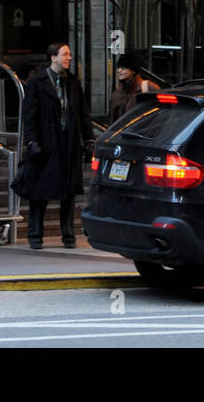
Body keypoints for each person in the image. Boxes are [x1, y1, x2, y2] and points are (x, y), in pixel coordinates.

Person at [14, 42, 94, 249]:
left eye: (69, 54)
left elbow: (83, 114)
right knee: (40, 192)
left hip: (68, 144)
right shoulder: (37, 82)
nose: (69, 58)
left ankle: (68, 235)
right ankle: (35, 235)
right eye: (65, 54)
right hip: (46, 144)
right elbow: (29, 116)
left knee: (69, 192)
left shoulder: (73, 82)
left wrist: (89, 140)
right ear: (53, 57)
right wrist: (31, 142)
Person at [108, 53, 154, 125]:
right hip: (122, 134)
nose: (119, 70)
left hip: (142, 133)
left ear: (133, 70)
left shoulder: (148, 87)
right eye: (119, 67)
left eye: (123, 68)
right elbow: (112, 122)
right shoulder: (117, 93)